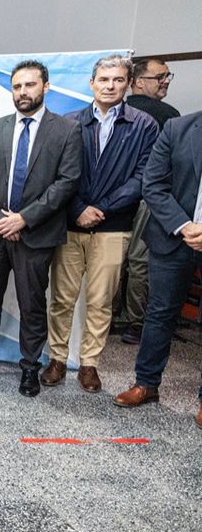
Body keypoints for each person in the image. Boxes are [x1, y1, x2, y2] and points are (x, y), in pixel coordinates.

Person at [0, 60, 83, 397]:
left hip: (36, 233)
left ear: (45, 87)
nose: (23, 92)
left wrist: (24, 218)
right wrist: (1, 220)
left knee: (32, 304)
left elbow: (66, 182)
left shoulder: (66, 131)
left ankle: (30, 367)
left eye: (30, 85)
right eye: (17, 86)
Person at [44, 55, 159, 392]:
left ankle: (89, 363)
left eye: (118, 80)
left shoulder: (144, 125)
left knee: (100, 299)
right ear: (91, 83)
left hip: (113, 227)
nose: (110, 86)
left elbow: (143, 176)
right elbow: (60, 174)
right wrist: (78, 207)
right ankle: (57, 359)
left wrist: (102, 209)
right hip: (70, 224)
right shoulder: (69, 122)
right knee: (62, 298)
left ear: (128, 83)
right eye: (104, 80)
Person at [113, 109, 202, 428]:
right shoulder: (177, 128)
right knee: (159, 313)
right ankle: (146, 384)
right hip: (173, 235)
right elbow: (153, 183)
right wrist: (184, 226)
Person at [116, 58, 181, 344]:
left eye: (168, 76)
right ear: (138, 81)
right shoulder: (169, 115)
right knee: (139, 259)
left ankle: (109, 316)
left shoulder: (114, 111)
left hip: (112, 196)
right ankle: (135, 323)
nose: (166, 81)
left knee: (112, 258)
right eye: (160, 76)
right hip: (148, 197)